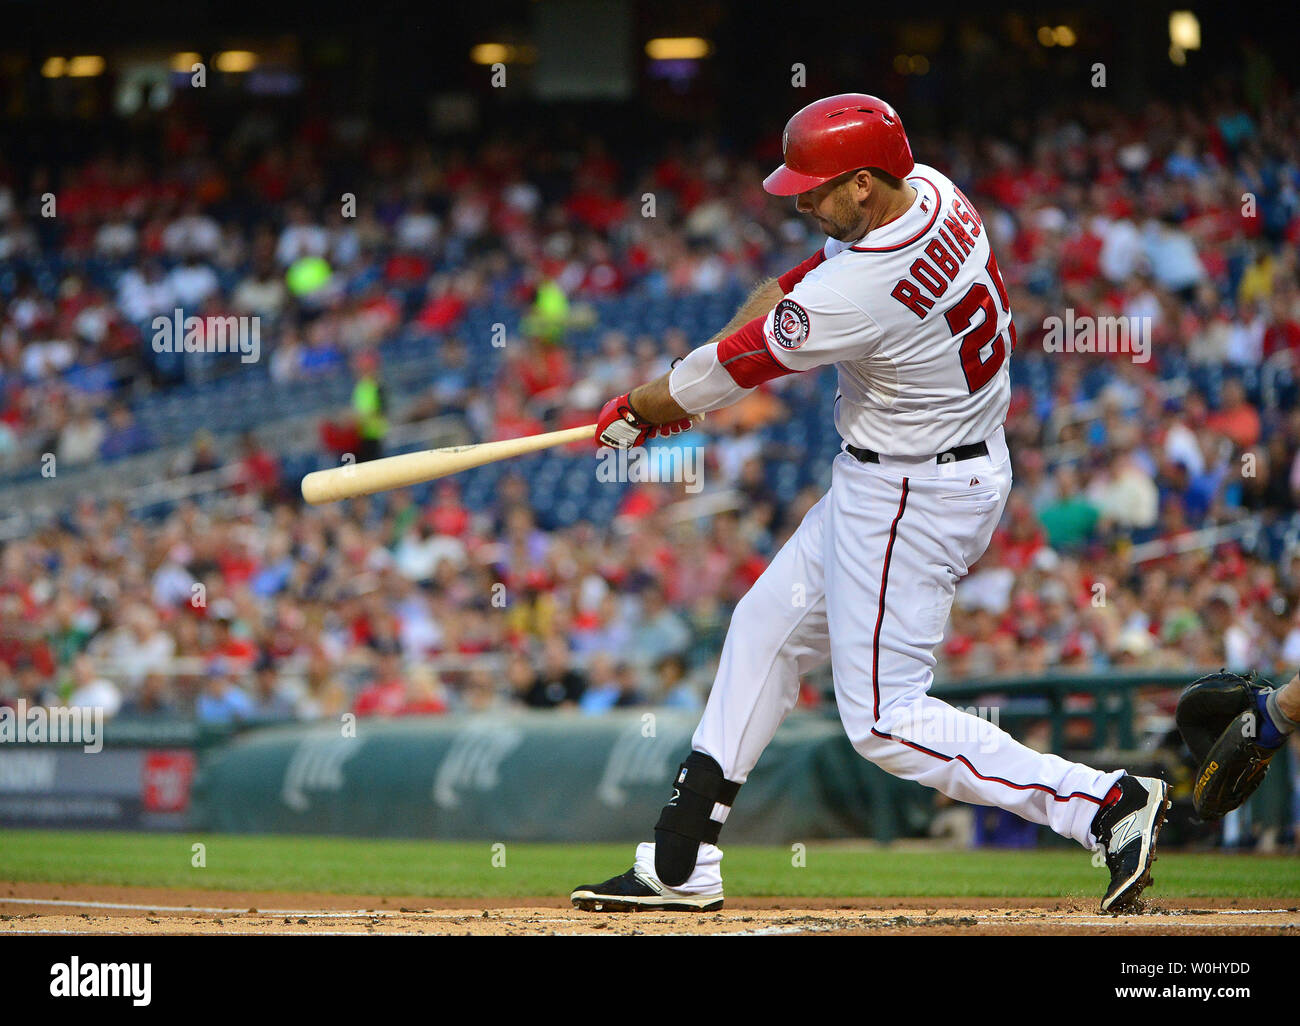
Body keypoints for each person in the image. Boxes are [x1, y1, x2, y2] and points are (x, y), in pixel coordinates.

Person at [571, 94, 1169, 915]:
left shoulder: (865, 284)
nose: (801, 201)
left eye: (815, 188)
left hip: (910, 490)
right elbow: (781, 295)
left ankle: (1104, 804)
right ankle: (679, 859)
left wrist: (640, 408)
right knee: (763, 629)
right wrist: (688, 376)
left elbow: (736, 366)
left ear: (862, 184)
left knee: (886, 722)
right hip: (914, 469)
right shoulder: (930, 189)